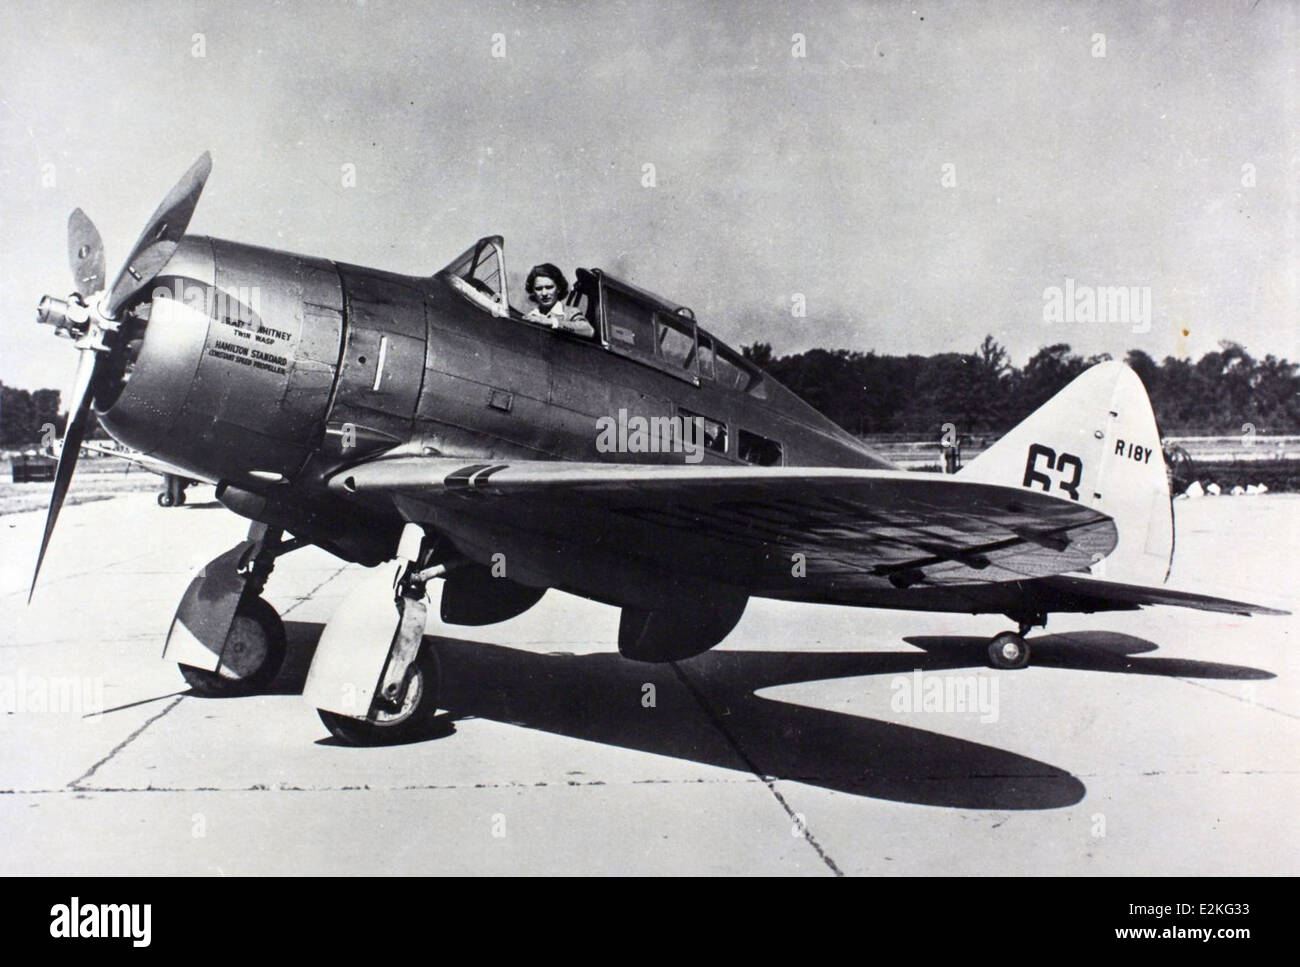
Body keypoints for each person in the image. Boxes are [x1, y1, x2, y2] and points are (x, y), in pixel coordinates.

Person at [523, 263, 594, 337]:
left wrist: (551, 322)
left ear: (559, 288)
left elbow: (589, 330)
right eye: (538, 289)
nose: (544, 293)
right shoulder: (531, 316)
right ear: (533, 291)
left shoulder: (570, 313)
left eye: (549, 287)